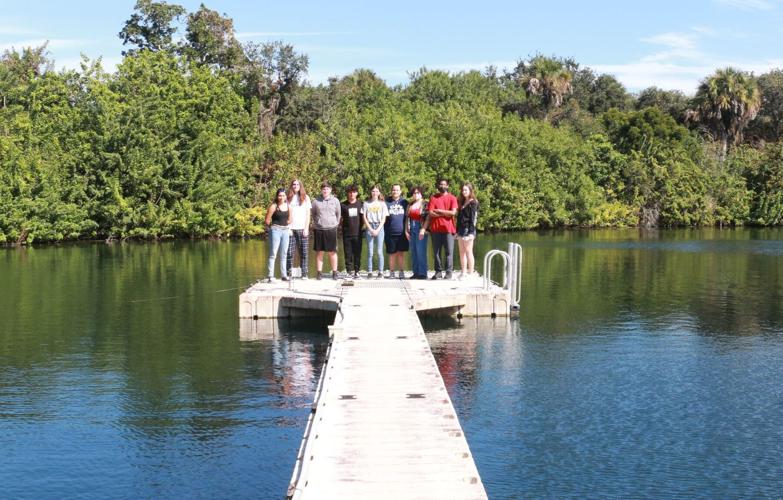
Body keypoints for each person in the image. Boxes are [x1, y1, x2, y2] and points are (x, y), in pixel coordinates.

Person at [426, 178, 458, 280]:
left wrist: (439, 211)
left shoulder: (452, 198)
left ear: (447, 186)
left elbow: (453, 212)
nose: (442, 186)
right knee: (436, 252)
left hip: (449, 229)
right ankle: (438, 272)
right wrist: (445, 213)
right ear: (438, 186)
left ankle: (448, 273)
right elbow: (431, 213)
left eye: (444, 184)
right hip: (435, 229)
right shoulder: (433, 198)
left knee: (449, 252)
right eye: (441, 184)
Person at [310, 182, 341, 280]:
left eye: (327, 189)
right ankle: (319, 273)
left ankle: (335, 272)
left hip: (331, 229)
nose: (325, 191)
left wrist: (335, 224)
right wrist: (318, 222)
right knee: (320, 252)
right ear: (321, 190)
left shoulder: (335, 201)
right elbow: (313, 214)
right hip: (319, 229)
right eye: (323, 189)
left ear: (330, 190)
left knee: (332, 252)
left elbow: (338, 214)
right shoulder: (315, 201)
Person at [264, 188, 292, 283]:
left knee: (284, 254)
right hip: (275, 230)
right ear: (277, 196)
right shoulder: (273, 206)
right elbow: (267, 220)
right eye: (280, 195)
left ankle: (284, 275)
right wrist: (271, 228)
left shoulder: (288, 206)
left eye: (283, 195)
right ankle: (270, 276)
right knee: (273, 254)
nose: (281, 197)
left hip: (285, 231)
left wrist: (287, 223)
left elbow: (290, 219)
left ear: (286, 196)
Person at [362, 185, 388, 279]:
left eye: (376, 191)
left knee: (380, 251)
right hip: (369, 226)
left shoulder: (382, 204)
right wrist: (370, 228)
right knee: (370, 252)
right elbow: (364, 217)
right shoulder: (366, 203)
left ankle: (381, 272)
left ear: (379, 192)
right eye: (373, 191)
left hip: (379, 227)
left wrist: (377, 229)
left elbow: (384, 218)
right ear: (371, 192)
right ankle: (370, 272)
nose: (375, 193)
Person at [286, 179, 311, 279]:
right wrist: (288, 228)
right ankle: (289, 273)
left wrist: (306, 228)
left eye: (297, 184)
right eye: (294, 184)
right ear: (291, 186)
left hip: (302, 229)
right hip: (291, 229)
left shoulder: (306, 197)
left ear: (300, 186)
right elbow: (285, 213)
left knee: (304, 252)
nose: (295, 186)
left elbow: (308, 214)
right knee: (289, 253)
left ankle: (304, 273)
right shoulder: (288, 197)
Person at [384, 184, 409, 279]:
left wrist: (408, 230)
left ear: (400, 191)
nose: (395, 192)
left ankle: (401, 271)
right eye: (394, 190)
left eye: (397, 190)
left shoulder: (405, 202)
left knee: (401, 253)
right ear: (391, 191)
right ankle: (391, 272)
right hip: (390, 232)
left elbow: (408, 217)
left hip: (402, 232)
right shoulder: (386, 202)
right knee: (392, 253)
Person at [456, 182, 479, 280]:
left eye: (466, 190)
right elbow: (459, 217)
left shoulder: (473, 202)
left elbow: (473, 218)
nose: (464, 191)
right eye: (463, 190)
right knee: (461, 252)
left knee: (469, 251)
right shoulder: (461, 201)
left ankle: (471, 273)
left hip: (468, 229)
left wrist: (471, 233)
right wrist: (457, 231)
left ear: (470, 191)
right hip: (461, 229)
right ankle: (463, 272)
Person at [341, 185, 363, 279]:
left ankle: (357, 271)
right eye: (350, 192)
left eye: (354, 192)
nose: (352, 194)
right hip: (347, 233)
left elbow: (363, 218)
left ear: (357, 193)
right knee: (348, 253)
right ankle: (349, 271)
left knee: (357, 253)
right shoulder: (343, 205)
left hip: (358, 233)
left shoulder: (361, 204)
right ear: (347, 193)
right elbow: (339, 218)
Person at [407, 186, 429, 279]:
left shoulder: (425, 204)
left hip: (420, 228)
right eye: (414, 193)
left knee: (421, 251)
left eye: (418, 193)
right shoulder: (410, 204)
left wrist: (423, 229)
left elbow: (428, 218)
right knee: (414, 251)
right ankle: (415, 272)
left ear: (421, 194)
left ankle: (423, 273)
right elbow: (407, 218)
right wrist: (406, 231)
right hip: (411, 228)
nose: (416, 194)